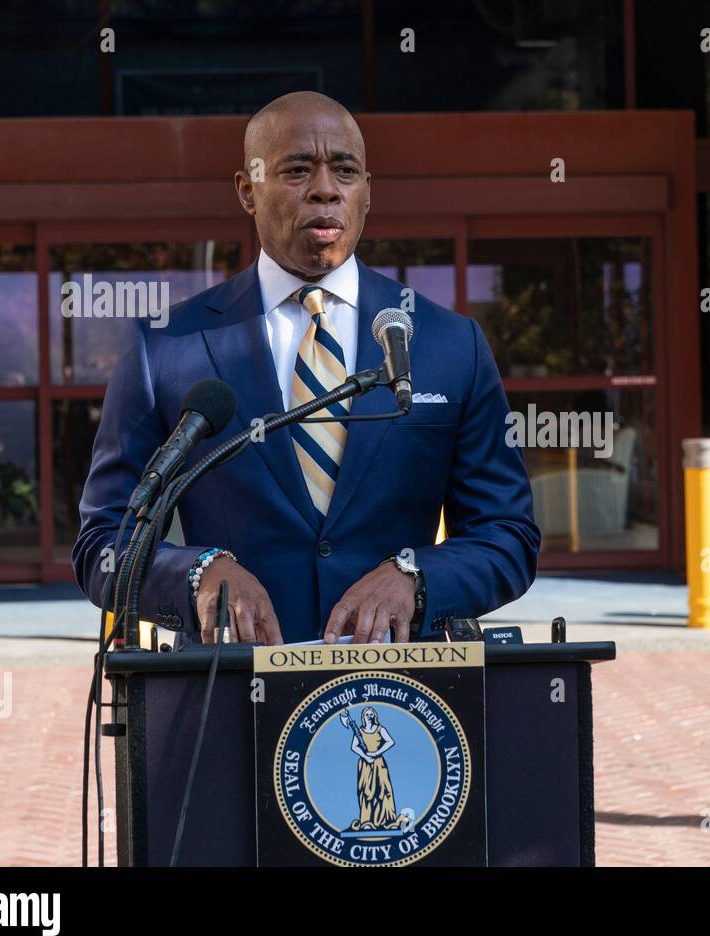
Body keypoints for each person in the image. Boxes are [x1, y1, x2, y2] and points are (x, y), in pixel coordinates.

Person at [73, 91, 539, 645]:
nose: (325, 188)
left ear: (366, 193)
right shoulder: (166, 347)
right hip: (224, 701)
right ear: (248, 190)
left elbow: (507, 535)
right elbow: (105, 540)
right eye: (297, 169)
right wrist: (198, 575)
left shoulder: (450, 344)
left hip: (399, 697)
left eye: (345, 170)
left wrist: (417, 580)